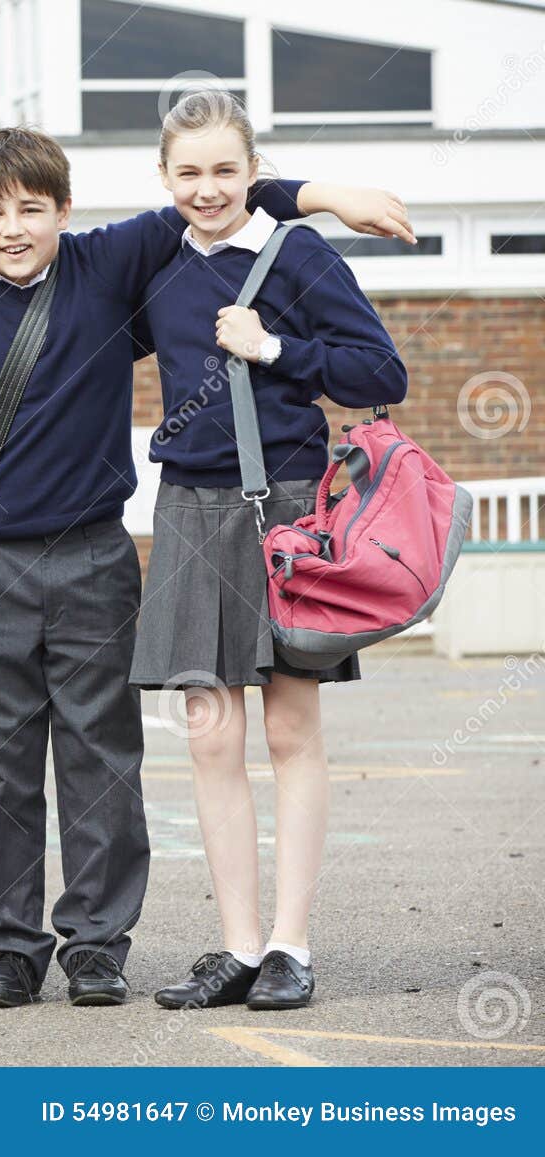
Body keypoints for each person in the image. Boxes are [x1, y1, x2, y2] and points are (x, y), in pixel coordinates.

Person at [132, 90, 409, 1011]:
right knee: (211, 740)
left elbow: (380, 372)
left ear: (255, 172)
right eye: (188, 172)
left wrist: (275, 347)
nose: (207, 189)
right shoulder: (155, 264)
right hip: (186, 512)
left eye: (225, 169)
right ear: (163, 178)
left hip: (287, 512)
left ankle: (291, 945)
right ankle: (238, 948)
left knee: (290, 731)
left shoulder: (298, 255)